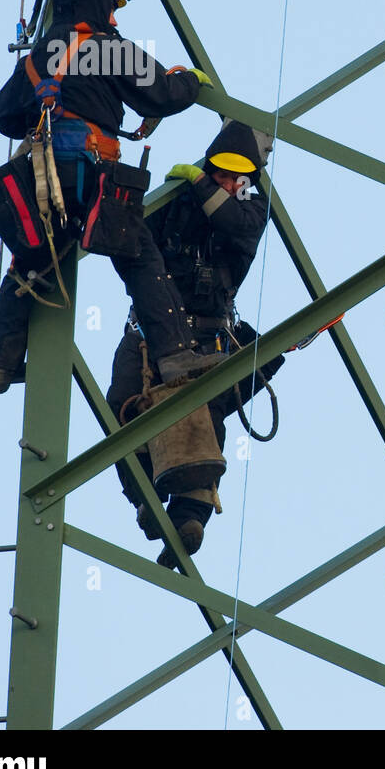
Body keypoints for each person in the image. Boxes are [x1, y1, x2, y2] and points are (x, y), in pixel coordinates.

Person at [0, 0, 222, 393]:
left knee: (33, 256)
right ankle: (175, 355)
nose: (114, 19)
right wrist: (189, 81)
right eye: (112, 8)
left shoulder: (38, 57)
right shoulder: (108, 48)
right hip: (93, 171)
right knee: (139, 255)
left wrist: (53, 104)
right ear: (96, 6)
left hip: (43, 178)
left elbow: (3, 116)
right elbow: (162, 93)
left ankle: (1, 360)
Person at [105, 121, 284, 564]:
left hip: (208, 332)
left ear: (248, 181)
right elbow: (131, 245)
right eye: (218, 172)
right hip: (149, 330)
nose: (225, 181)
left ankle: (191, 516)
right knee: (122, 405)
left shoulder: (250, 211)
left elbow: (232, 221)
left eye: (234, 177)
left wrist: (200, 182)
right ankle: (146, 496)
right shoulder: (177, 202)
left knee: (203, 417)